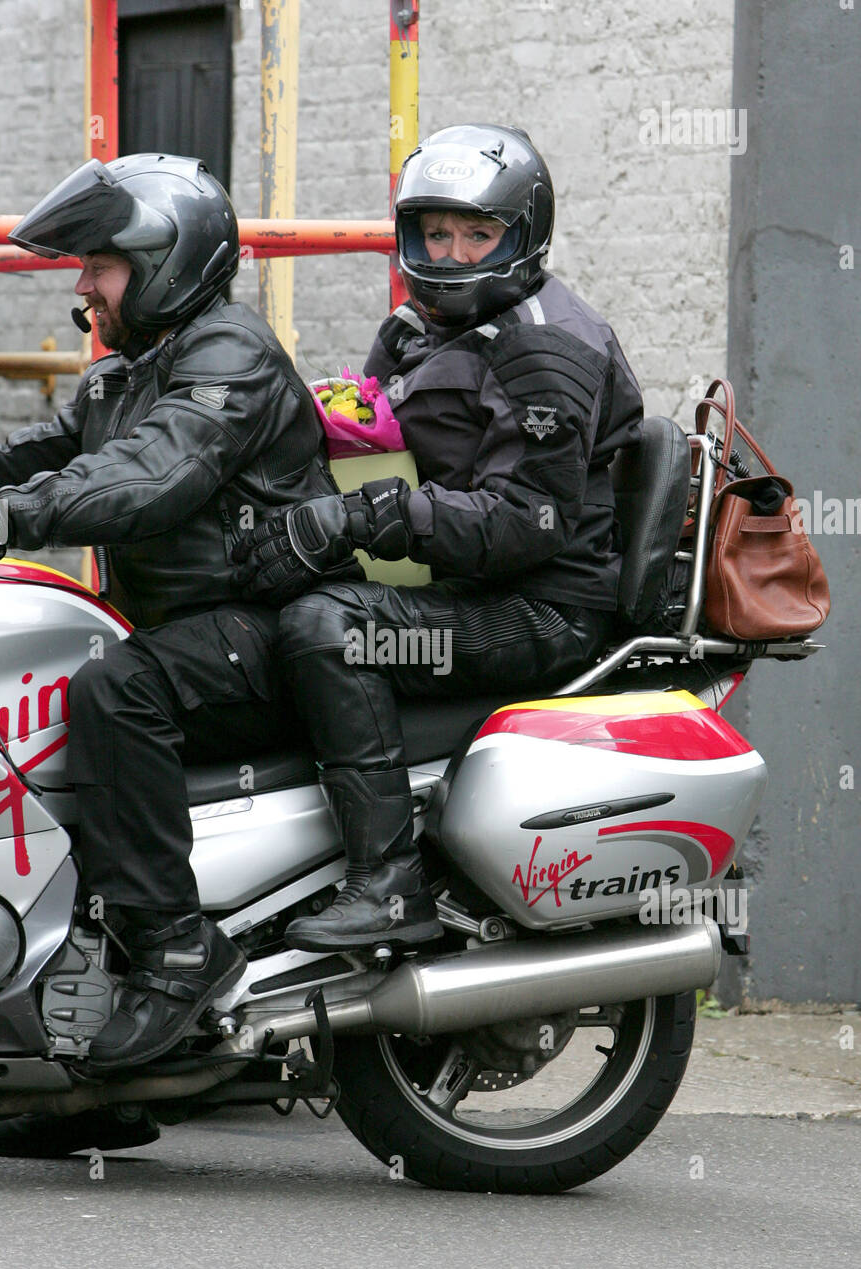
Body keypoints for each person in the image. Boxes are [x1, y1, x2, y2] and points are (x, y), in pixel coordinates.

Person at [0, 153, 353, 1155]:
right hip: (187, 627)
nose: (82, 284)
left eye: (101, 265)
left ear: (165, 262)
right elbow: (27, 453)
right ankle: (88, 1068)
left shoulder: (228, 359)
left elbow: (147, 480)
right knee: (44, 756)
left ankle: (177, 947)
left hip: (263, 627)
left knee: (112, 692)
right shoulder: (132, 363)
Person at [234, 123, 645, 951]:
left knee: (331, 630)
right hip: (454, 581)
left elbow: (526, 521)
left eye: (477, 234)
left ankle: (389, 883)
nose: (452, 253)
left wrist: (364, 517)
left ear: (521, 234)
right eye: (436, 231)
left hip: (539, 607)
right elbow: (379, 439)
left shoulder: (544, 348)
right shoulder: (417, 328)